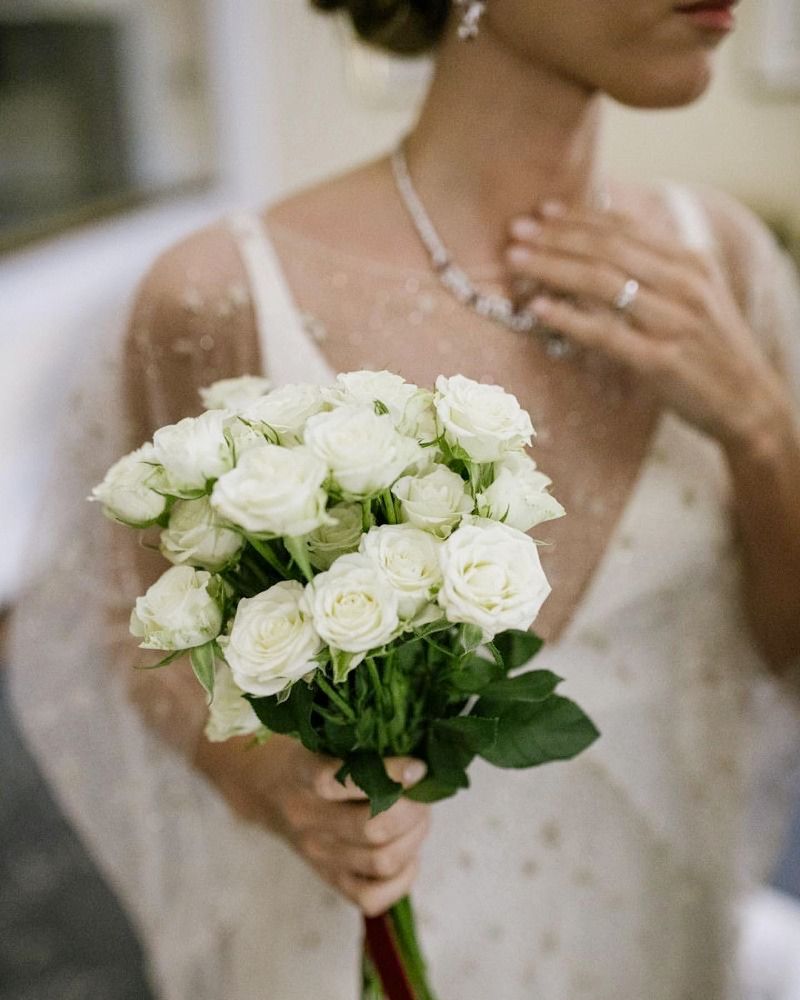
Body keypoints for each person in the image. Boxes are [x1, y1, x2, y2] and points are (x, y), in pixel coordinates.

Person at [9, 1, 800, 998]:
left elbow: (780, 653)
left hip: (657, 917)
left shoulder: (718, 260)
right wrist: (271, 779)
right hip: (356, 941)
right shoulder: (221, 290)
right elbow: (130, 628)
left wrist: (762, 428)